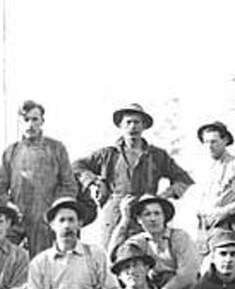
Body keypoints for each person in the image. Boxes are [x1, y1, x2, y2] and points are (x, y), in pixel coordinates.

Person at [72, 103, 194, 249]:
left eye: (137, 122)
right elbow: (77, 166)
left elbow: (183, 179)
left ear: (144, 126)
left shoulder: (156, 155)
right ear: (121, 126)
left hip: (145, 212)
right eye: (128, 122)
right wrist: (96, 182)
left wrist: (162, 197)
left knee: (146, 254)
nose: (133, 127)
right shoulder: (108, 154)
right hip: (115, 212)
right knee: (110, 253)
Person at [0, 100, 79, 256]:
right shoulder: (11, 151)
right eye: (26, 120)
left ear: (42, 121)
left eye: (34, 119)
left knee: (44, 263)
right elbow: (0, 188)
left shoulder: (56, 148)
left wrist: (54, 212)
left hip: (44, 220)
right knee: (3, 258)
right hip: (17, 219)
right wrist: (9, 206)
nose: (30, 124)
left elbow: (69, 186)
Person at [107, 194, 201, 289]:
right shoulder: (140, 241)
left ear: (164, 217)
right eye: (147, 214)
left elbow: (187, 275)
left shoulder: (179, 237)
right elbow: (115, 256)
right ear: (139, 219)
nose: (153, 219)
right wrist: (124, 221)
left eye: (157, 213)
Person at [193, 120, 235, 252]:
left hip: (225, 228)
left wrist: (224, 212)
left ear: (225, 141)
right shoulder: (206, 168)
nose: (209, 146)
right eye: (206, 142)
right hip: (204, 228)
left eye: (214, 141)